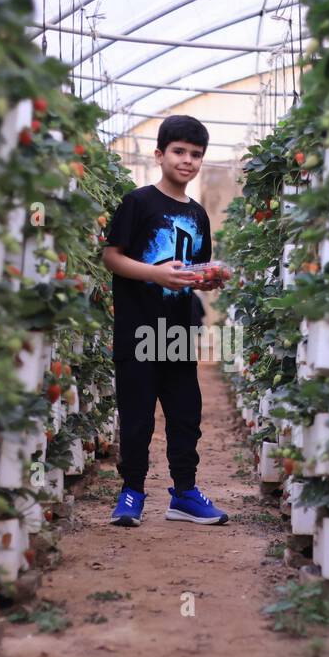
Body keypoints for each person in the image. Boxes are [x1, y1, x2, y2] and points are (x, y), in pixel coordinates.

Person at [100, 115, 230, 527]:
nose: (187, 160)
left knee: (185, 413)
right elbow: (111, 257)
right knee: (137, 415)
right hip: (138, 328)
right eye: (179, 151)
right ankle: (132, 492)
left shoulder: (198, 214)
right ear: (159, 155)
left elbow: (193, 269)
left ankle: (185, 494)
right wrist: (155, 274)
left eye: (195, 154)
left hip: (177, 330)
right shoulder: (137, 202)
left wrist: (208, 279)